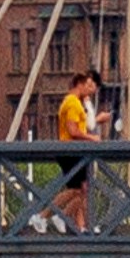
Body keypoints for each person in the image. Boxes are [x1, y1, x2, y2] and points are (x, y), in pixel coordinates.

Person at [53, 76, 98, 233]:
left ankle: (79, 225)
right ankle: (54, 215)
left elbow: (82, 125)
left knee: (80, 189)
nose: (90, 90)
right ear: (79, 85)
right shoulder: (72, 103)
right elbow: (73, 130)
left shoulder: (71, 102)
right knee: (80, 189)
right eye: (87, 85)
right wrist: (91, 138)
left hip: (72, 150)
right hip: (72, 151)